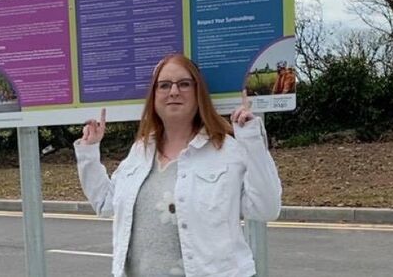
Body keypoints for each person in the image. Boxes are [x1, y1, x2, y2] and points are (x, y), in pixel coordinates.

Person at [75, 53, 281, 277]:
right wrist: (89, 152)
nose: (173, 91)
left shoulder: (227, 150)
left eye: (184, 84)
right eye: (164, 85)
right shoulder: (140, 151)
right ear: (154, 96)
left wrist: (251, 139)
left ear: (198, 92)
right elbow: (105, 203)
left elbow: (266, 208)